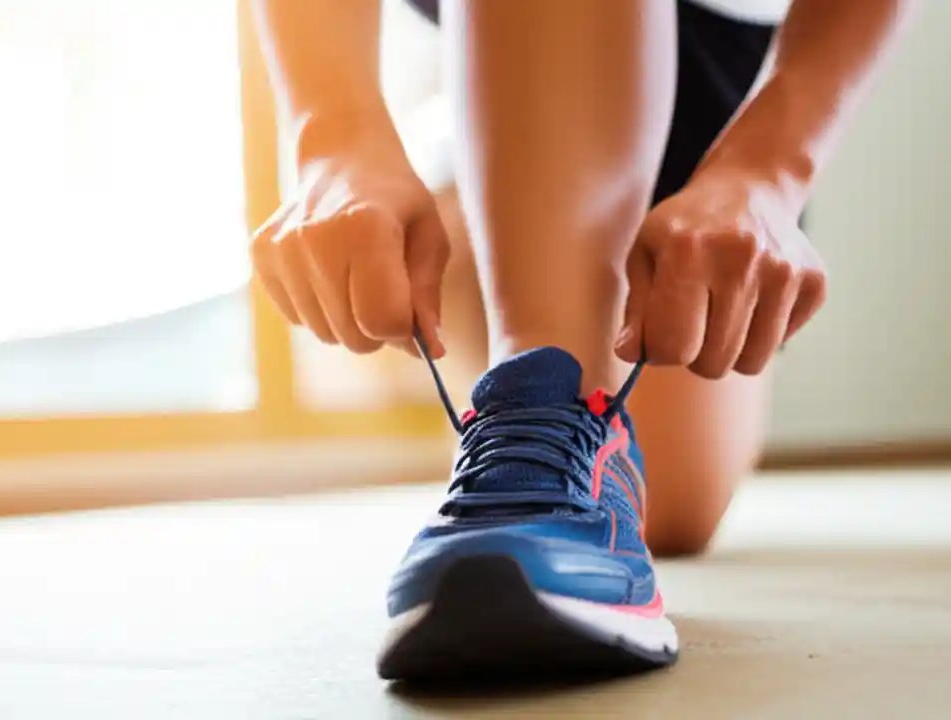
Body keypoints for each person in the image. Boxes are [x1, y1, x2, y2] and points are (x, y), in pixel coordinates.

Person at [250, 0, 914, 680]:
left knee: (674, 507)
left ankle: (495, 213)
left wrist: (768, 173)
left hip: (728, 35)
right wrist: (332, 139)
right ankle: (536, 371)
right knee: (558, 476)